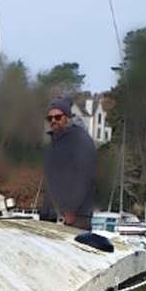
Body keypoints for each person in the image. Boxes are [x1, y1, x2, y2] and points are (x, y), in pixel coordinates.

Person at [40, 96, 96, 229]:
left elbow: (85, 177)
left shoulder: (80, 140)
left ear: (67, 117)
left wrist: (71, 210)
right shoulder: (53, 142)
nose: (53, 121)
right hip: (52, 215)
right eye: (50, 118)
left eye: (58, 117)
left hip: (76, 217)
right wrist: (45, 211)